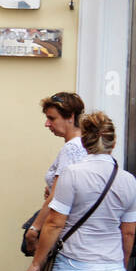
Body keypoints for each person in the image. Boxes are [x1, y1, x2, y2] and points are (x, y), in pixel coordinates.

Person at [27, 112, 136, 271]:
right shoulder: (129, 181)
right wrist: (122, 264)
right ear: (113, 142)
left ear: (85, 141)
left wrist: (37, 263)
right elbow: (128, 233)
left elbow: (54, 223)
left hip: (73, 266)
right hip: (111, 268)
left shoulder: (73, 174)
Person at [23, 92, 88, 256]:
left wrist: (34, 228)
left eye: (52, 118)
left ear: (70, 117)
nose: (47, 124)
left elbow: (57, 196)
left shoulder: (71, 148)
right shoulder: (85, 145)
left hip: (64, 225)